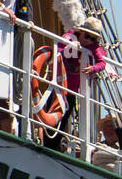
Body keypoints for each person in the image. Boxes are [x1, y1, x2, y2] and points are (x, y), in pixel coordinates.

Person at [45, 16, 109, 151]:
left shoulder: (93, 47)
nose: (89, 41)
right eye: (87, 36)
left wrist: (92, 68)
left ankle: (53, 146)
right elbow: (60, 51)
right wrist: (72, 46)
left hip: (71, 91)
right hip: (58, 87)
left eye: (93, 39)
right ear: (80, 32)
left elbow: (102, 63)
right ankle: (45, 143)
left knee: (64, 119)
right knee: (48, 115)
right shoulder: (70, 37)